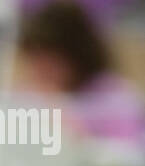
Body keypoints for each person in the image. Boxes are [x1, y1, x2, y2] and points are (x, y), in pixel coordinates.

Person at [17, 1, 145, 143]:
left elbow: (126, 154)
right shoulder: (29, 96)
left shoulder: (115, 99)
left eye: (49, 62)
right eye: (35, 61)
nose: (40, 71)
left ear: (75, 57)